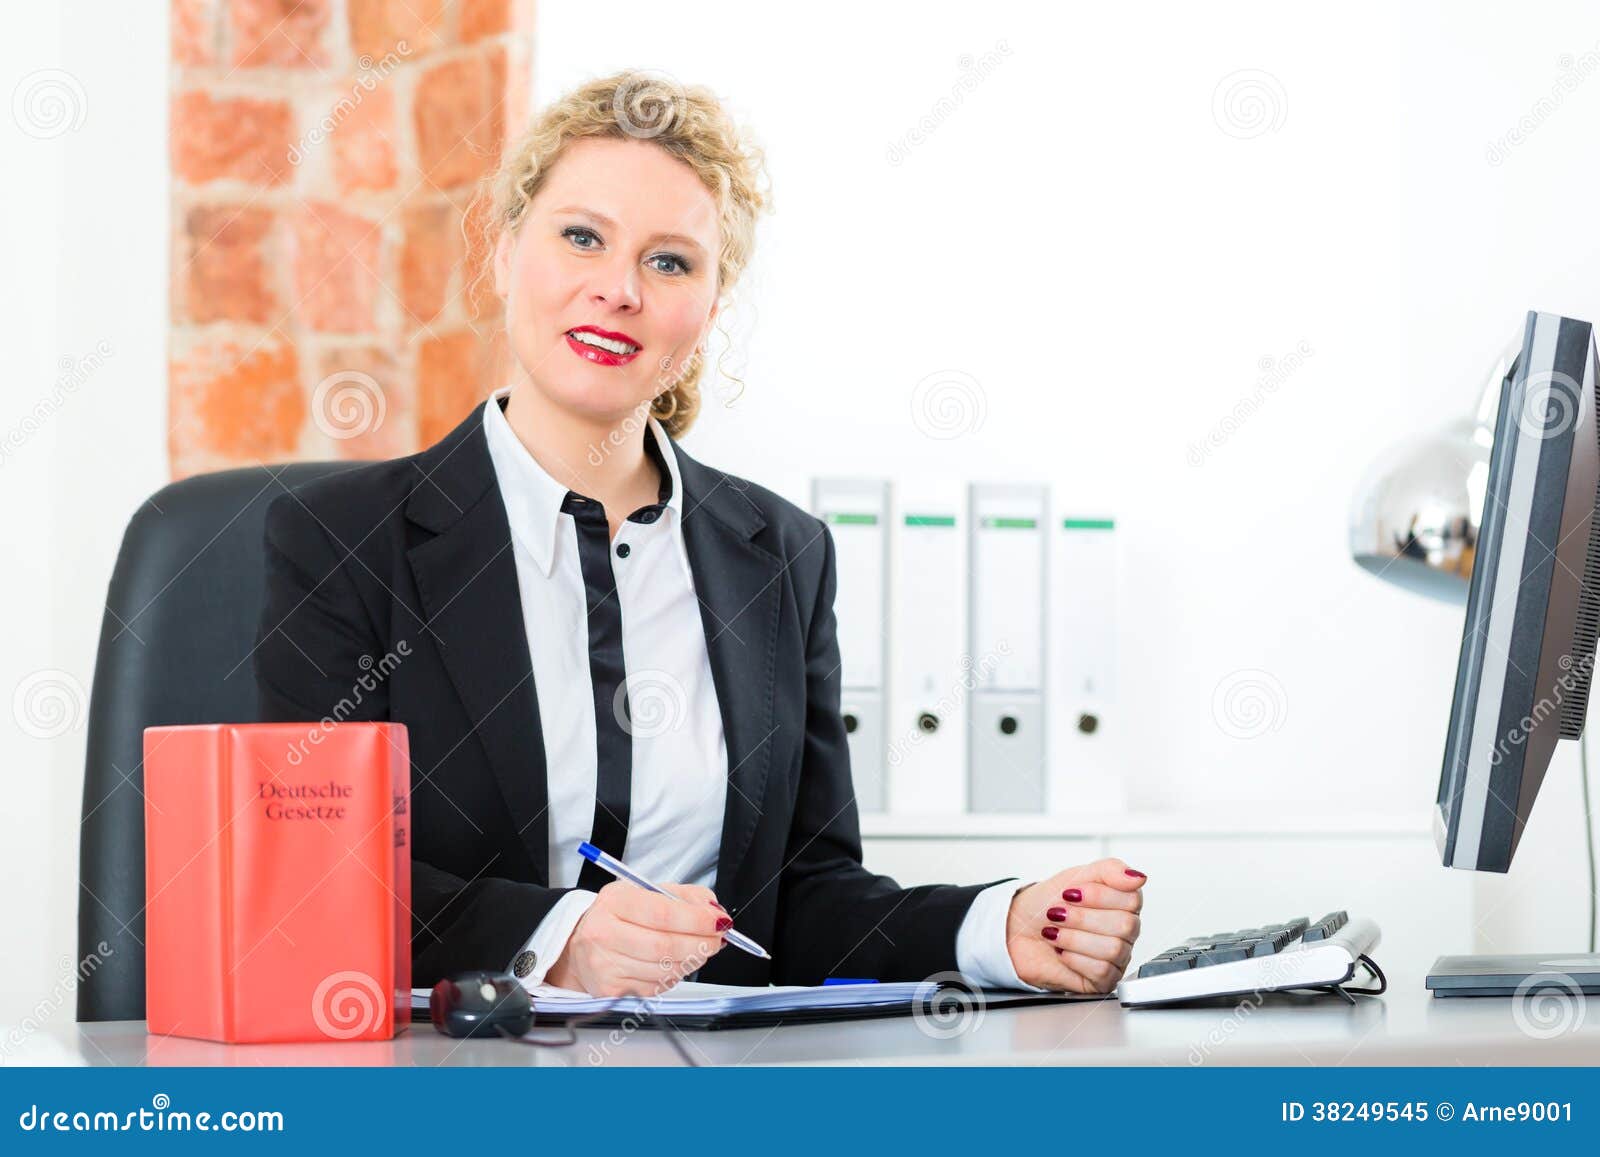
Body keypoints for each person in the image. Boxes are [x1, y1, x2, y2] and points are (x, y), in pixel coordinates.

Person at [255, 69, 1144, 998]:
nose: (618, 290)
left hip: (711, 1063)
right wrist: (559, 940)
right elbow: (311, 878)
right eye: (582, 237)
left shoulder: (784, 555)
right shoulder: (341, 541)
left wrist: (995, 927)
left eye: (670, 262)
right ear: (507, 250)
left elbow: (801, 900)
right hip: (453, 1062)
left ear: (712, 307)